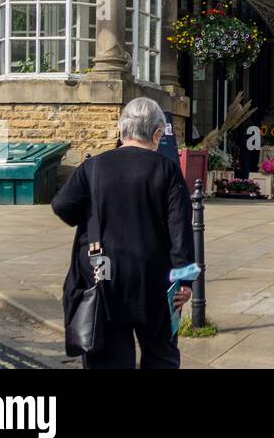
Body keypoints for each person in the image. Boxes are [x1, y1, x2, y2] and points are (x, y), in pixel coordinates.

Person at [51, 97, 195, 370]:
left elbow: (62, 207)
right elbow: (181, 233)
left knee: (107, 360)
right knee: (161, 356)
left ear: (121, 130)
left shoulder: (92, 168)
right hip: (155, 282)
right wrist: (185, 282)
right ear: (155, 134)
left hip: (103, 278)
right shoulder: (168, 171)